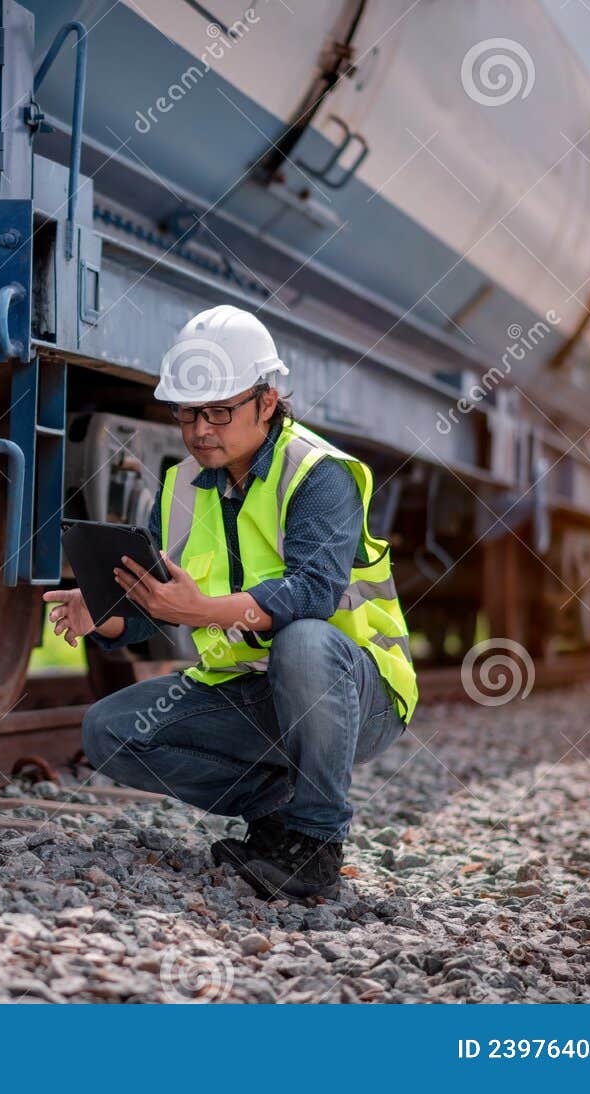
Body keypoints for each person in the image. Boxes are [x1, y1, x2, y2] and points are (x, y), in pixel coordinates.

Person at [43, 305, 419, 901]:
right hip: (251, 691)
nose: (201, 429)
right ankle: (276, 819)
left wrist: (200, 613)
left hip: (355, 694)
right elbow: (159, 600)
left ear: (266, 402)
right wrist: (107, 611)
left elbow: (313, 593)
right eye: (188, 413)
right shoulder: (180, 486)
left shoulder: (319, 475)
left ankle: (317, 845)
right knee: (109, 730)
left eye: (220, 411)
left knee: (304, 639)